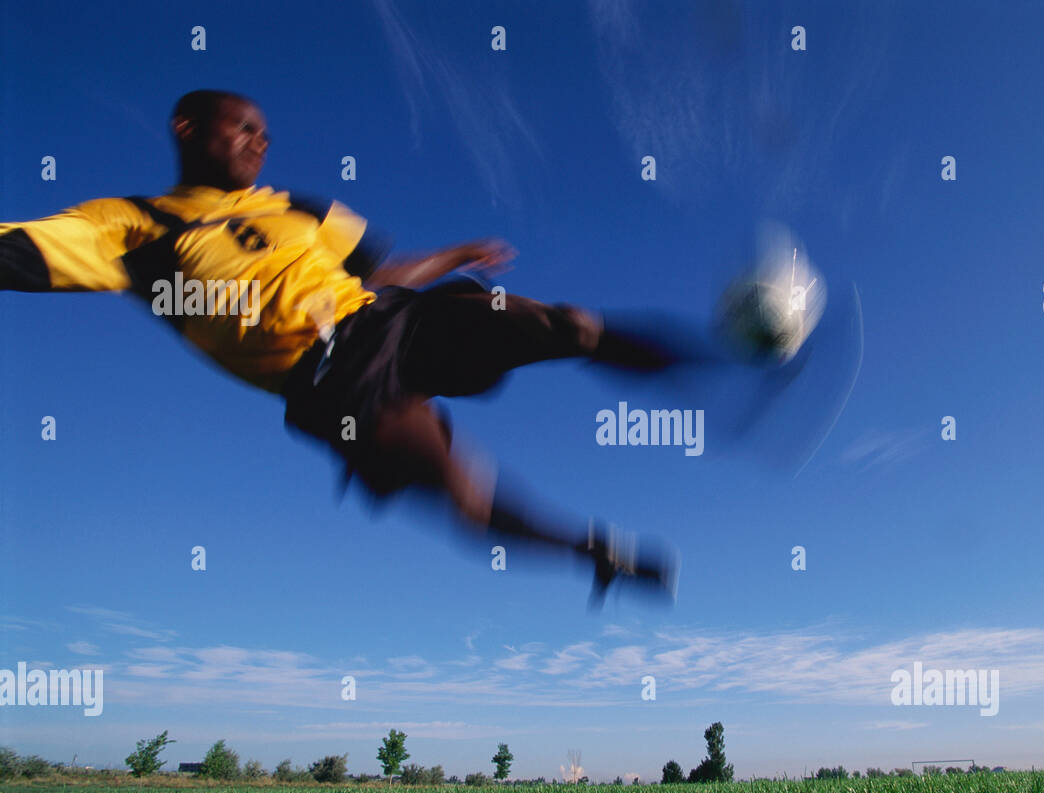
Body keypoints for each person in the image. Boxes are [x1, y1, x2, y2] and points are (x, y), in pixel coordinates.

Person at [0, 89, 695, 607]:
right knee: (463, 499)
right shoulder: (131, 227)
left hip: (387, 320)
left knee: (567, 325)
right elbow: (21, 251)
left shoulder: (296, 207)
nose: (259, 140)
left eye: (266, 133)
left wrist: (454, 252)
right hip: (331, 387)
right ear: (187, 126)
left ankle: (714, 369)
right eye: (243, 125)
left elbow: (380, 270)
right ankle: (595, 552)